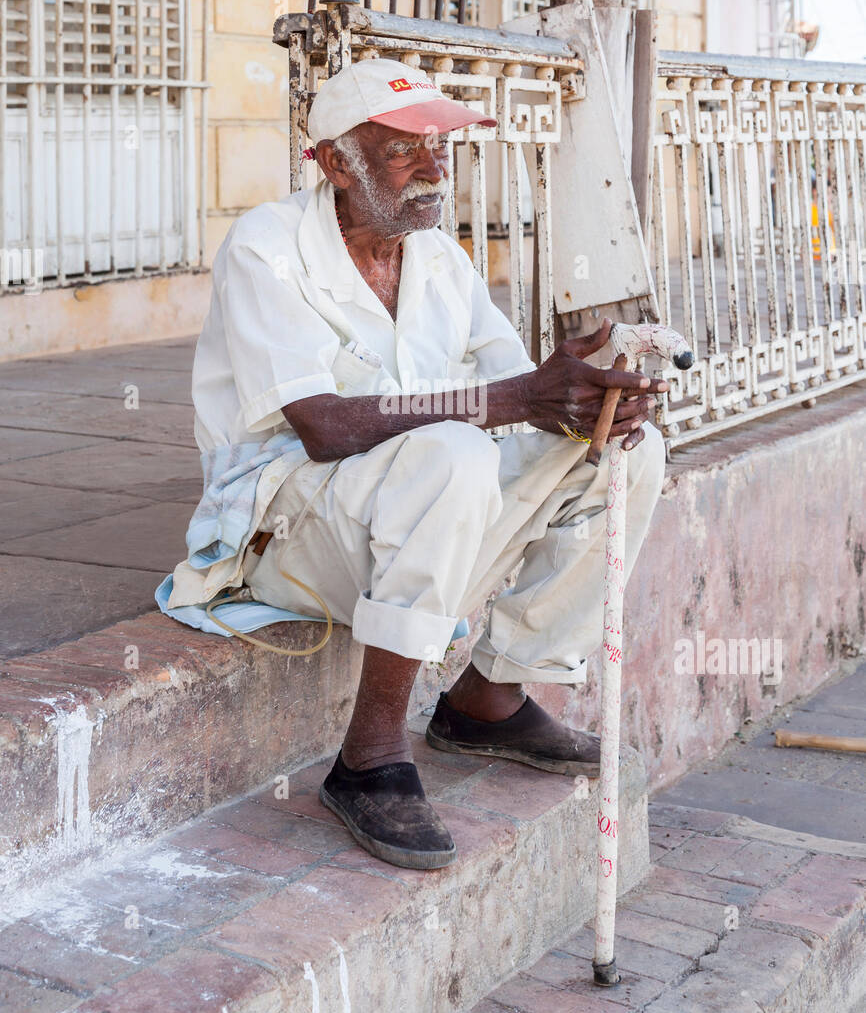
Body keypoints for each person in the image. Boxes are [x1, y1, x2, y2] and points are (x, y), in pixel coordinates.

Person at [163, 58, 668, 871]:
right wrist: (518, 401)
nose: (434, 170)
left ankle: (489, 696)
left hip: (417, 525)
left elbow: (520, 394)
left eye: (439, 149)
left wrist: (587, 402)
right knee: (454, 449)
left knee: (620, 457)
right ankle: (367, 755)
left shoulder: (438, 258)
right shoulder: (267, 246)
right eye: (404, 152)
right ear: (335, 162)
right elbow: (323, 427)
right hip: (287, 533)